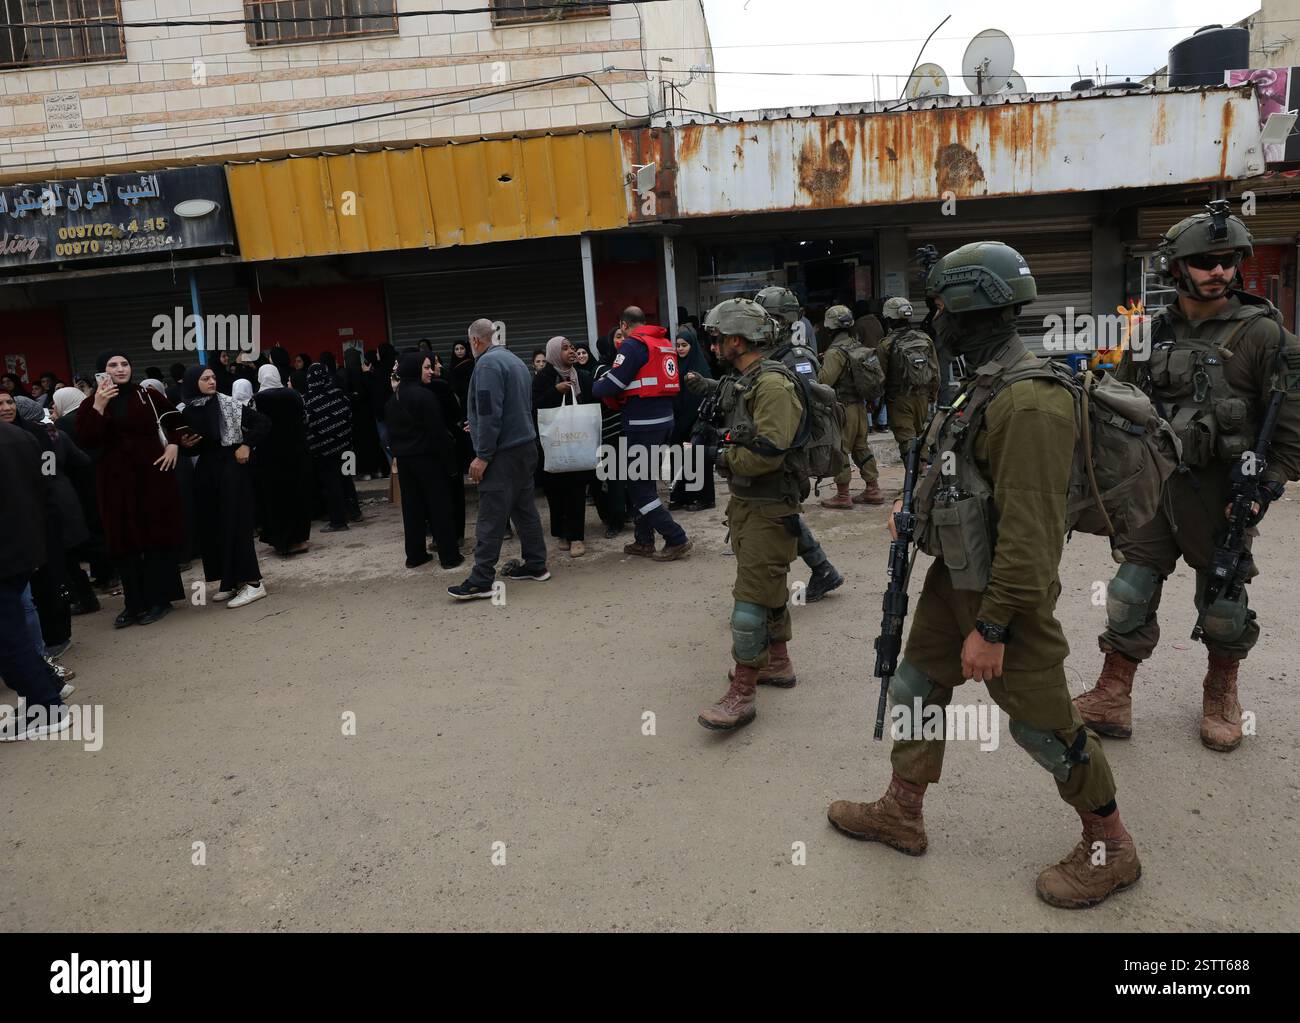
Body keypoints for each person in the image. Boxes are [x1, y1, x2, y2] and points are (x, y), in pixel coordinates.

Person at [827, 241, 1140, 909]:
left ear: (970, 308)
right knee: (916, 681)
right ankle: (901, 810)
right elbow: (961, 479)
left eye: (941, 307)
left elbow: (1029, 537)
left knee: (1041, 723)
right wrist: (914, 515)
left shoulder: (1030, 402)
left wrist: (993, 626)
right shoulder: (983, 380)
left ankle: (1111, 844)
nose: (933, 320)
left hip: (1006, 594)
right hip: (956, 578)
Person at [1076, 203, 1300, 752]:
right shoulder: (1150, 333)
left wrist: (1263, 490)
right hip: (1155, 488)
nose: (1217, 271)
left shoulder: (1266, 337)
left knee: (1223, 604)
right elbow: (1120, 408)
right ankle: (1112, 694)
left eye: (1226, 261)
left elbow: (1292, 434)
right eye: (1204, 261)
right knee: (1128, 591)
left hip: (1222, 493)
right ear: (1176, 268)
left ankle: (1221, 692)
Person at [693, 299, 805, 730]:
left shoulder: (773, 386)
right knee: (768, 584)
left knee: (749, 603)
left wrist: (717, 457)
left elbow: (768, 455)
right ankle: (778, 662)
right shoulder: (746, 380)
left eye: (718, 337)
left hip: (769, 505)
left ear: (736, 340)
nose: (714, 344)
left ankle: (742, 693)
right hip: (749, 504)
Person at [75, 351, 193, 627]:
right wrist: (99, 407)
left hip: (151, 477)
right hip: (114, 483)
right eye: (112, 365)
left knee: (154, 537)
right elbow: (86, 439)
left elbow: (176, 421)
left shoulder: (146, 395)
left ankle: (159, 599)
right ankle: (133, 604)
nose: (120, 369)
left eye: (124, 364)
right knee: (124, 542)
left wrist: (174, 443)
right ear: (100, 373)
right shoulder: (91, 403)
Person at [751, 286, 846, 602]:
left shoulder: (797, 355)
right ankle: (822, 569)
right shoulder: (778, 351)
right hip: (782, 445)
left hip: (792, 447)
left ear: (781, 319)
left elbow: (806, 403)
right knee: (784, 511)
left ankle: (774, 589)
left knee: (780, 509)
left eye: (767, 318)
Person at [448, 318, 550, 600]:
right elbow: (512, 406)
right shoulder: (514, 361)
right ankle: (536, 564)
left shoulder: (487, 365)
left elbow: (490, 410)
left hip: (503, 453)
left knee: (491, 515)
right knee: (524, 509)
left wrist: (482, 455)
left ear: (475, 341)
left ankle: (481, 579)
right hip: (524, 445)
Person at [591, 306, 692, 561]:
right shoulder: (662, 343)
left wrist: (594, 387)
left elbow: (615, 382)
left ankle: (676, 538)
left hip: (642, 424)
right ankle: (643, 540)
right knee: (645, 482)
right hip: (663, 421)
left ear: (624, 325)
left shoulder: (632, 346)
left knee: (639, 488)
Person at [0, 416, 71, 740]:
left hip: (9, 550)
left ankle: (46, 706)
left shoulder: (21, 435)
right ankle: (47, 685)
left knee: (7, 638)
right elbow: (45, 484)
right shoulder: (21, 435)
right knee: (11, 628)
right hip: (26, 547)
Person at [182, 366, 270, 609]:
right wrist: (186, 444)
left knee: (237, 522)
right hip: (207, 472)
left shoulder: (228, 404)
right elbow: (196, 446)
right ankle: (229, 580)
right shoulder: (188, 410)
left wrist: (246, 444)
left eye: (213, 377)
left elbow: (262, 422)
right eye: (205, 378)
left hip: (232, 468)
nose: (212, 381)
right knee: (216, 525)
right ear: (193, 382)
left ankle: (253, 583)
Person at [387, 353, 464, 570]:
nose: (431, 371)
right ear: (414, 370)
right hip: (429, 460)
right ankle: (449, 557)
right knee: (440, 508)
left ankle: (415, 555)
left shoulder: (393, 399)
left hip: (404, 462)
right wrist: (451, 464)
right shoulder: (425, 396)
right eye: (427, 367)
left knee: (412, 509)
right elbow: (438, 433)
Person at [533, 336, 597, 557]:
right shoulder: (543, 378)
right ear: (552, 353)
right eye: (565, 348)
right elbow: (534, 408)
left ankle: (577, 536)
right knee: (555, 490)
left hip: (579, 442)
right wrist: (555, 392)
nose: (571, 351)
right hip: (554, 444)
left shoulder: (585, 377)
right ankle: (562, 533)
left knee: (577, 490)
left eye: (572, 347)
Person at [818, 304, 884, 507]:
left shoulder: (835, 352)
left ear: (829, 328)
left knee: (841, 449)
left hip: (843, 409)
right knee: (861, 447)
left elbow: (824, 382)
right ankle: (872, 489)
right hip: (860, 407)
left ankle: (843, 494)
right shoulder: (856, 346)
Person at [252, 365, 313, 557]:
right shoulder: (294, 396)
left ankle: (282, 541)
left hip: (269, 458)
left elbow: (252, 427)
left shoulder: (256, 399)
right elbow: (305, 420)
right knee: (297, 495)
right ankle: (299, 539)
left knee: (275, 498)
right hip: (296, 454)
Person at [876, 296, 940, 462]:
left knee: (906, 440)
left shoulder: (886, 344)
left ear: (889, 318)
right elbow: (935, 371)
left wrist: (875, 401)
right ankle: (922, 475)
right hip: (923, 397)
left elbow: (879, 377)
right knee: (920, 435)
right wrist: (933, 393)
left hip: (899, 398)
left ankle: (914, 482)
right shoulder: (925, 339)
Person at [304, 362, 362, 533]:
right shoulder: (339, 394)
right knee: (347, 479)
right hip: (347, 447)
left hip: (324, 452)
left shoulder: (308, 400)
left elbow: (309, 426)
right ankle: (355, 512)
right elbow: (350, 417)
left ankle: (338, 521)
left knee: (332, 485)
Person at [668, 325, 715, 513]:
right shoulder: (675, 364)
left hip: (697, 421)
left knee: (697, 458)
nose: (680, 349)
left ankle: (704, 498)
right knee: (678, 456)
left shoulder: (700, 366)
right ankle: (680, 496)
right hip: (678, 420)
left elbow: (706, 394)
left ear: (692, 346)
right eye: (678, 345)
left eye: (684, 345)